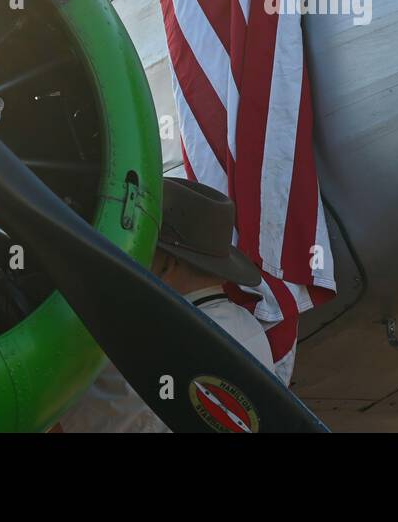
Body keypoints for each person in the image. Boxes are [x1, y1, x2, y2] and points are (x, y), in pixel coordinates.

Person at [58, 178, 270, 433]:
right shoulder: (249, 326)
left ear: (167, 265)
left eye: (139, 247)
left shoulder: (139, 350)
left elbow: (52, 420)